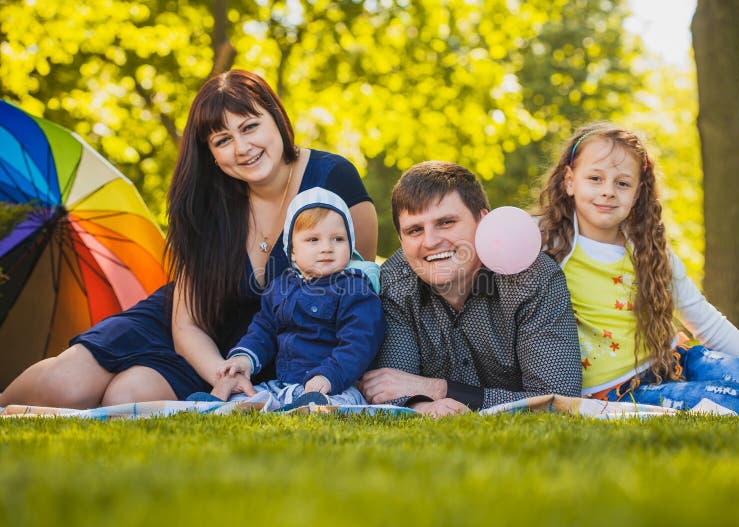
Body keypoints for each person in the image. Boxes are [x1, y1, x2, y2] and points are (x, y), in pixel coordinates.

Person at [0, 70, 378, 408]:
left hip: (261, 355)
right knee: (61, 385)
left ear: (276, 119)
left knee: (126, 397)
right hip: (189, 336)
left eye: (249, 127)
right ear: (210, 153)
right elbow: (186, 325)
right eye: (222, 139)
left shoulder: (334, 180)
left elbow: (354, 295)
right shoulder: (205, 201)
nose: (242, 148)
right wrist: (224, 374)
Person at [537, 122, 739, 415]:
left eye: (622, 183)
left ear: (637, 193)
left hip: (676, 359)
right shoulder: (544, 242)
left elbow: (705, 320)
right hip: (616, 391)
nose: (608, 191)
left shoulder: (649, 249)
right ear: (569, 181)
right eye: (595, 178)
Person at [358, 161, 582, 417]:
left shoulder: (533, 276)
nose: (430, 241)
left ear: (483, 221)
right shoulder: (395, 282)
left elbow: (557, 398)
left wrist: (438, 389)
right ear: (401, 240)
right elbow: (391, 387)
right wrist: (422, 406)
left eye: (446, 222)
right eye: (415, 230)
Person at [188, 187, 386, 407]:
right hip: (285, 383)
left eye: (338, 239)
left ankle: (307, 407)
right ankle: (220, 405)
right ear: (291, 250)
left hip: (335, 384)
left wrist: (330, 375)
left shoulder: (355, 287)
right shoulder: (281, 286)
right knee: (255, 394)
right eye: (313, 240)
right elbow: (263, 331)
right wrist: (244, 359)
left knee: (333, 404)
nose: (326, 248)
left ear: (350, 245)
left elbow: (360, 341)